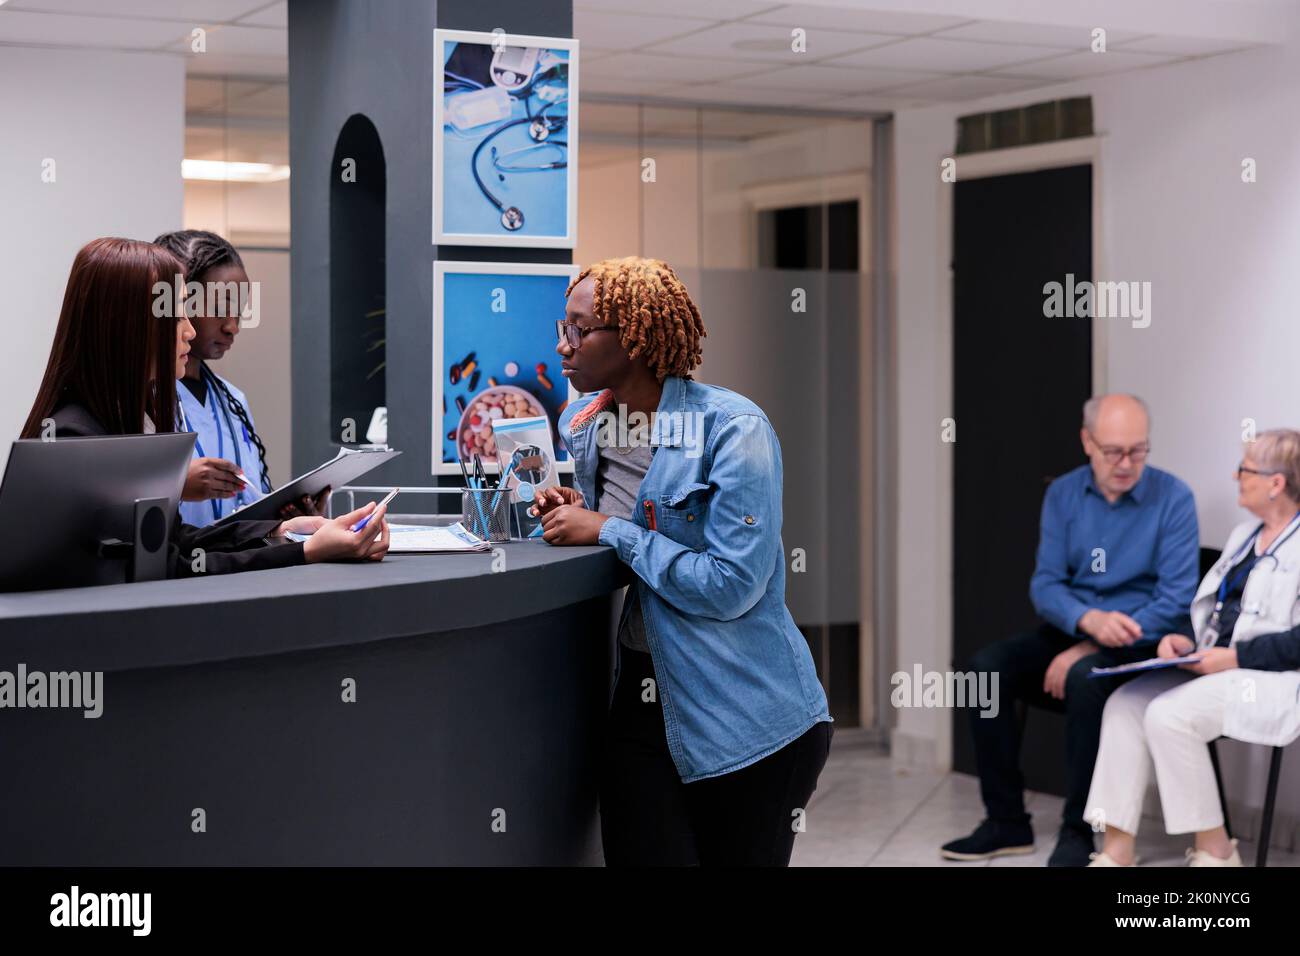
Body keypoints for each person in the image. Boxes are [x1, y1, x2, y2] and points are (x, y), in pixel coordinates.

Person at [531, 255, 832, 866]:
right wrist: (578, 508)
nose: (564, 345)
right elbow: (625, 514)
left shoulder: (733, 429)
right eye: (563, 328)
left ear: (636, 339)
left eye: (580, 330)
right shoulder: (584, 424)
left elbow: (730, 585)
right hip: (643, 692)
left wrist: (610, 529)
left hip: (745, 706)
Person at [20, 237, 387, 576]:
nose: (190, 331)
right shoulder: (76, 439)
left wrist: (279, 530)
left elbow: (178, 540)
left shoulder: (122, 423)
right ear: (127, 326)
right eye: (178, 313)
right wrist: (303, 553)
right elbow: (171, 566)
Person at [941, 394, 1200, 866]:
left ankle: (1080, 830)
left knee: (1086, 679)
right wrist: (1085, 623)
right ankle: (1006, 822)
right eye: (1113, 451)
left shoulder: (1174, 497)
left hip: (1139, 640)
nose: (1126, 464)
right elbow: (1046, 584)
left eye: (1138, 451)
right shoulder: (1063, 493)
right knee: (985, 670)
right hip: (1077, 628)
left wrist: (1090, 643)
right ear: (1087, 441)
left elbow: (1176, 600)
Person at [1086, 429, 1300, 867]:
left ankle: (1217, 852)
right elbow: (1215, 608)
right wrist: (1183, 637)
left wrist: (1235, 658)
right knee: (1124, 705)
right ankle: (1116, 851)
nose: (1237, 477)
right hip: (1213, 666)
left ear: (1276, 483)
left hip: (1268, 677)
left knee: (1168, 715)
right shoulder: (1245, 535)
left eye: (1246, 469)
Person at [153, 230, 326, 525]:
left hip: (237, 566)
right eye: (220, 309)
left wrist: (287, 519)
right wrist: (175, 484)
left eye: (240, 313)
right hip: (175, 567)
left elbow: (250, 499)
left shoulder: (233, 400)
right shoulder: (143, 398)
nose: (233, 327)